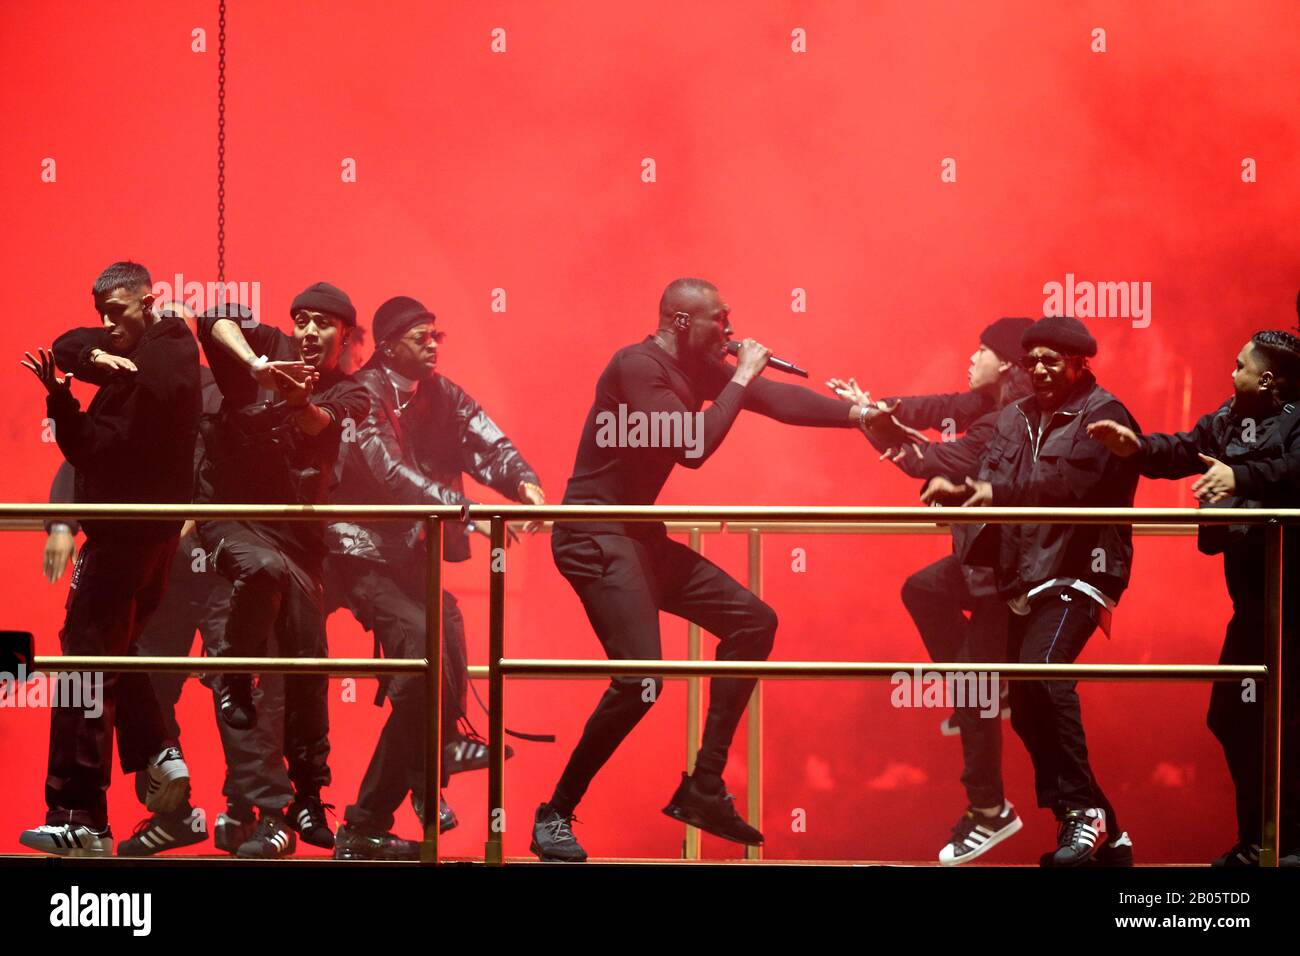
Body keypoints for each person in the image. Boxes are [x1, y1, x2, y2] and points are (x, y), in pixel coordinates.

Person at [532, 277, 870, 862]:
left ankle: (705, 786)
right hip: (593, 534)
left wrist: (860, 415)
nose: (732, 333)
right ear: (683, 322)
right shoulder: (636, 366)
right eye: (722, 321)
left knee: (753, 622)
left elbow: (777, 402)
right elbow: (690, 446)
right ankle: (554, 813)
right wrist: (740, 376)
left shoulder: (697, 368)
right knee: (642, 683)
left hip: (637, 537)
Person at [42, 302, 294, 857]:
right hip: (164, 566)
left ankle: (268, 814)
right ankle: (177, 813)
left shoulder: (235, 396)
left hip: (220, 563)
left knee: (235, 691)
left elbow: (258, 476)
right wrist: (63, 520)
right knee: (142, 680)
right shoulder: (147, 381)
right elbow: (91, 456)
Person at [326, 295, 545, 860]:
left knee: (443, 636)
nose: (432, 344)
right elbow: (388, 476)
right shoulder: (363, 393)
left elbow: (484, 440)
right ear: (390, 343)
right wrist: (469, 512)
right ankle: (398, 792)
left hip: (409, 560)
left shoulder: (438, 394)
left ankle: (432, 755)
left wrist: (522, 482)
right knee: (425, 661)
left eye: (435, 336)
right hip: (359, 556)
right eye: (421, 336)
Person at [1089, 330, 1300, 867]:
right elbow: (1182, 449)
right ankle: (1262, 841)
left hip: (1294, 603)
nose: (1231, 374)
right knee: (1234, 716)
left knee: (1286, 722)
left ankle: (1283, 845)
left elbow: (1293, 471)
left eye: (1240, 365)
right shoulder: (1229, 418)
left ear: (1268, 378)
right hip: (1255, 607)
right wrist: (1135, 447)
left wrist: (1241, 476)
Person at [828, 316, 1035, 864]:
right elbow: (928, 410)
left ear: (1008, 364)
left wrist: (872, 425)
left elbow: (927, 459)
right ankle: (989, 694)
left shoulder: (1008, 421)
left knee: (972, 690)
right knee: (923, 590)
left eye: (982, 350)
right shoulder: (986, 405)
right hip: (982, 564)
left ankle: (991, 811)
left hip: (1008, 576)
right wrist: (872, 407)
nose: (972, 358)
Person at [18, 261, 200, 856]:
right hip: (130, 538)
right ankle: (155, 752)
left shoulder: (169, 340)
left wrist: (113, 365)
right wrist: (67, 391)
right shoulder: (120, 362)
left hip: (131, 538)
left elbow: (163, 392)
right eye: (102, 312)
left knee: (83, 669)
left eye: (118, 311)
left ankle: (79, 815)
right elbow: (91, 440)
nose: (106, 324)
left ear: (150, 302)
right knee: (106, 657)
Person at [944, 315, 1138, 866]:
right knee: (1027, 708)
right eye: (1034, 361)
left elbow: (1068, 489)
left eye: (1053, 360)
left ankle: (1080, 817)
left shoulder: (1104, 414)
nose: (1041, 370)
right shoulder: (1011, 419)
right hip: (1023, 576)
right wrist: (945, 479)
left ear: (1080, 363)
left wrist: (988, 488)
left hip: (1080, 572)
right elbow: (977, 469)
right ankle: (1107, 829)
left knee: (1047, 679)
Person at [195, 283, 369, 858]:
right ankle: (235, 681)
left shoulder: (354, 389)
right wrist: (256, 366)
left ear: (345, 333)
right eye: (302, 319)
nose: (310, 331)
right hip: (235, 524)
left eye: (323, 323)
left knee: (308, 666)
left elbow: (323, 424)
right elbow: (213, 317)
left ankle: (310, 795)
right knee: (260, 574)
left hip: (301, 542)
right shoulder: (268, 346)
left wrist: (296, 401)